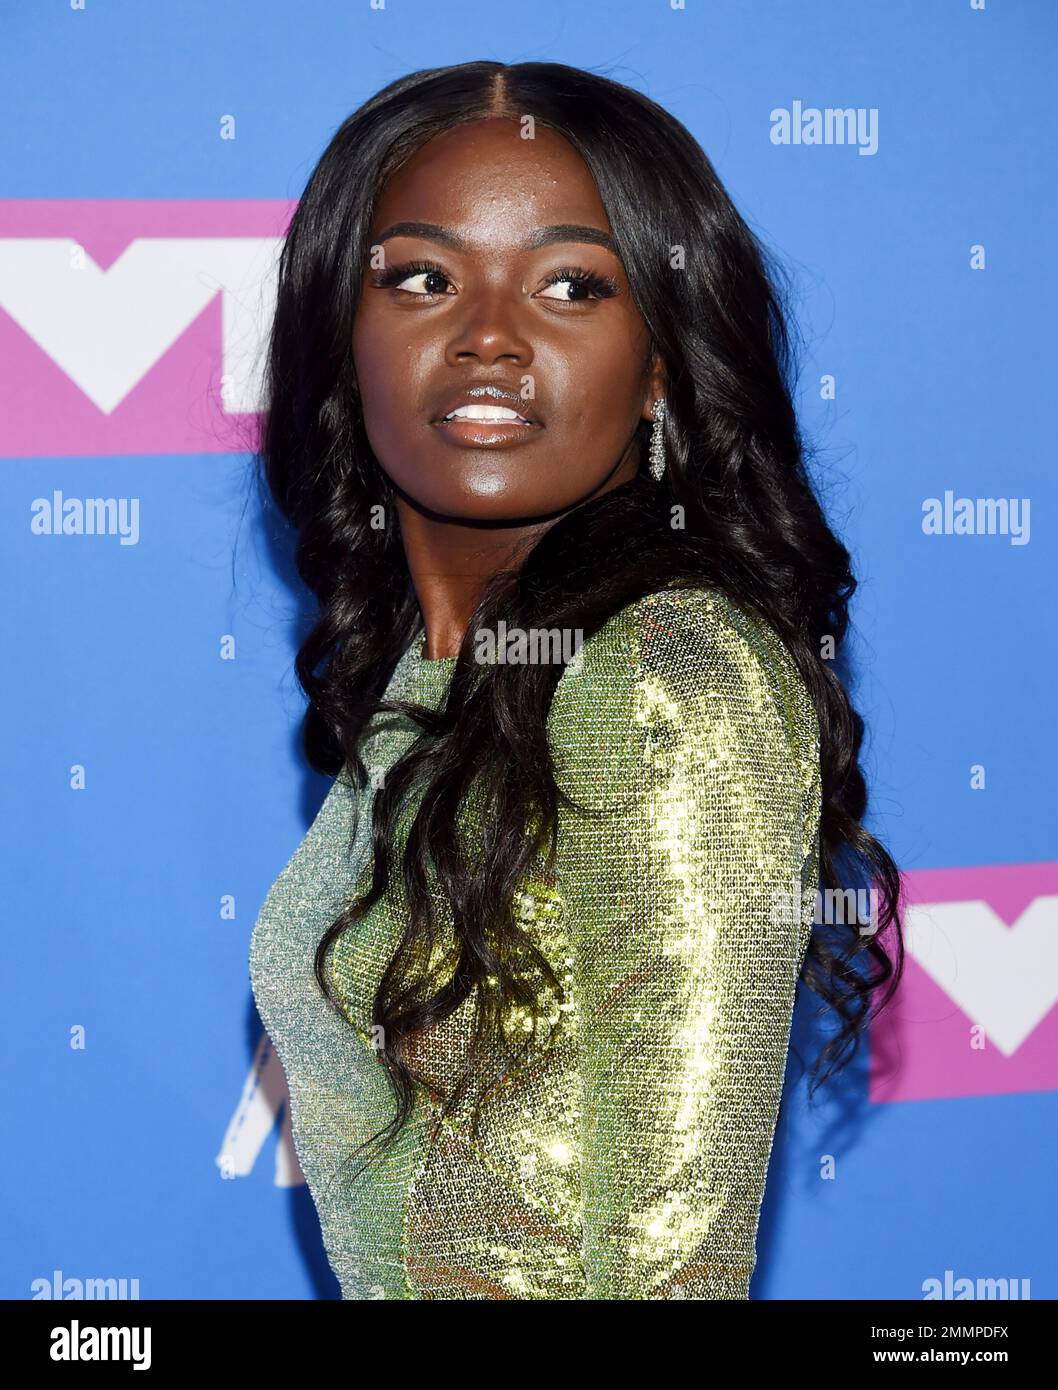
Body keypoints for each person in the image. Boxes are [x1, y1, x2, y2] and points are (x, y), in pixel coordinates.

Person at [249, 59, 903, 1300]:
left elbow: (674, 1262)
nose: (489, 335)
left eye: (569, 284)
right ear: (339, 338)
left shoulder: (664, 672)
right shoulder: (425, 683)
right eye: (422, 277)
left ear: (658, 363)